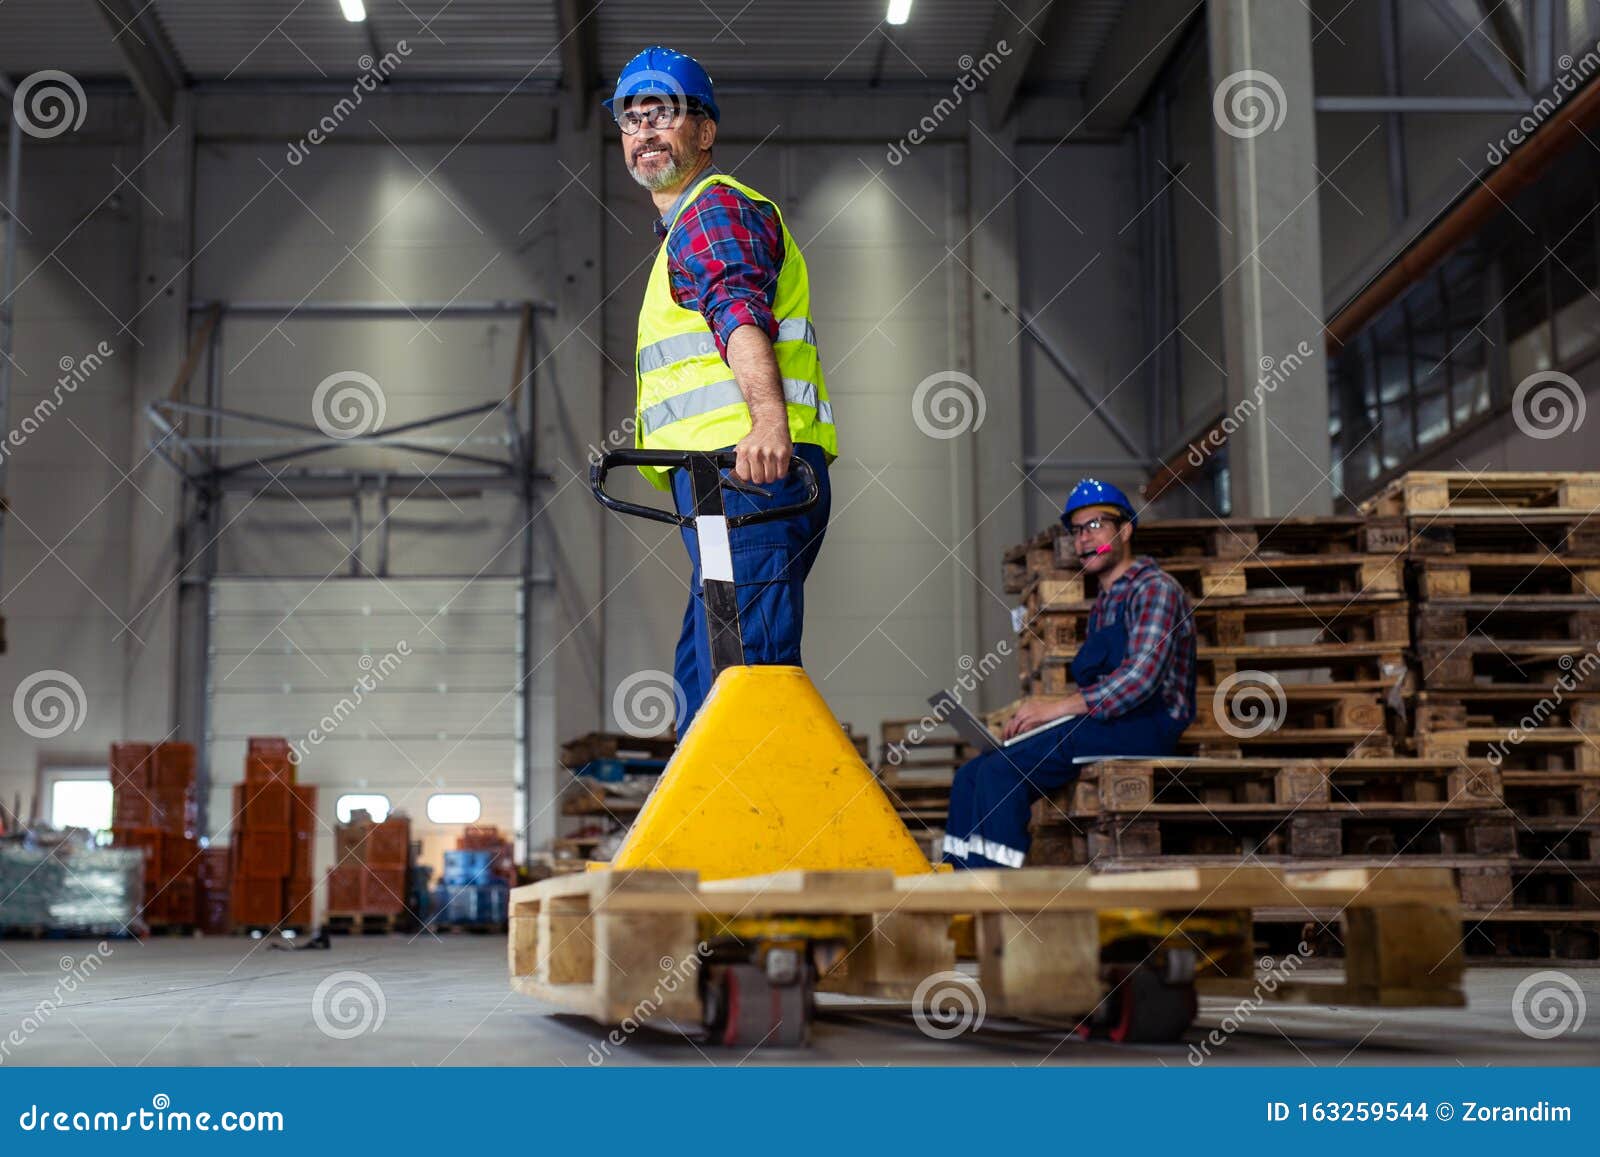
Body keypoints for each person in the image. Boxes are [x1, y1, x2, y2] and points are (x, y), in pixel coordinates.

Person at [605, 47, 837, 735]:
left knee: (747, 674)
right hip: (721, 487)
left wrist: (768, 424)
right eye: (631, 118)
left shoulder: (713, 210)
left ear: (704, 131)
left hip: (747, 476)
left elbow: (738, 311)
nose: (645, 130)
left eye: (664, 113)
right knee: (706, 672)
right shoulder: (684, 227)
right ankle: (705, 803)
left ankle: (759, 804)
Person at [942, 479, 1197, 868]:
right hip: (1106, 724)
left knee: (999, 773)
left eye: (1095, 525)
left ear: (1125, 530)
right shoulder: (1105, 604)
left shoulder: (1154, 589)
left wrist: (1054, 710)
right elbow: (1099, 688)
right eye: (1077, 531)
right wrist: (1044, 718)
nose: (1083, 539)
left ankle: (995, 886)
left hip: (1146, 726)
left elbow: (1140, 678)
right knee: (971, 775)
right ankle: (957, 880)